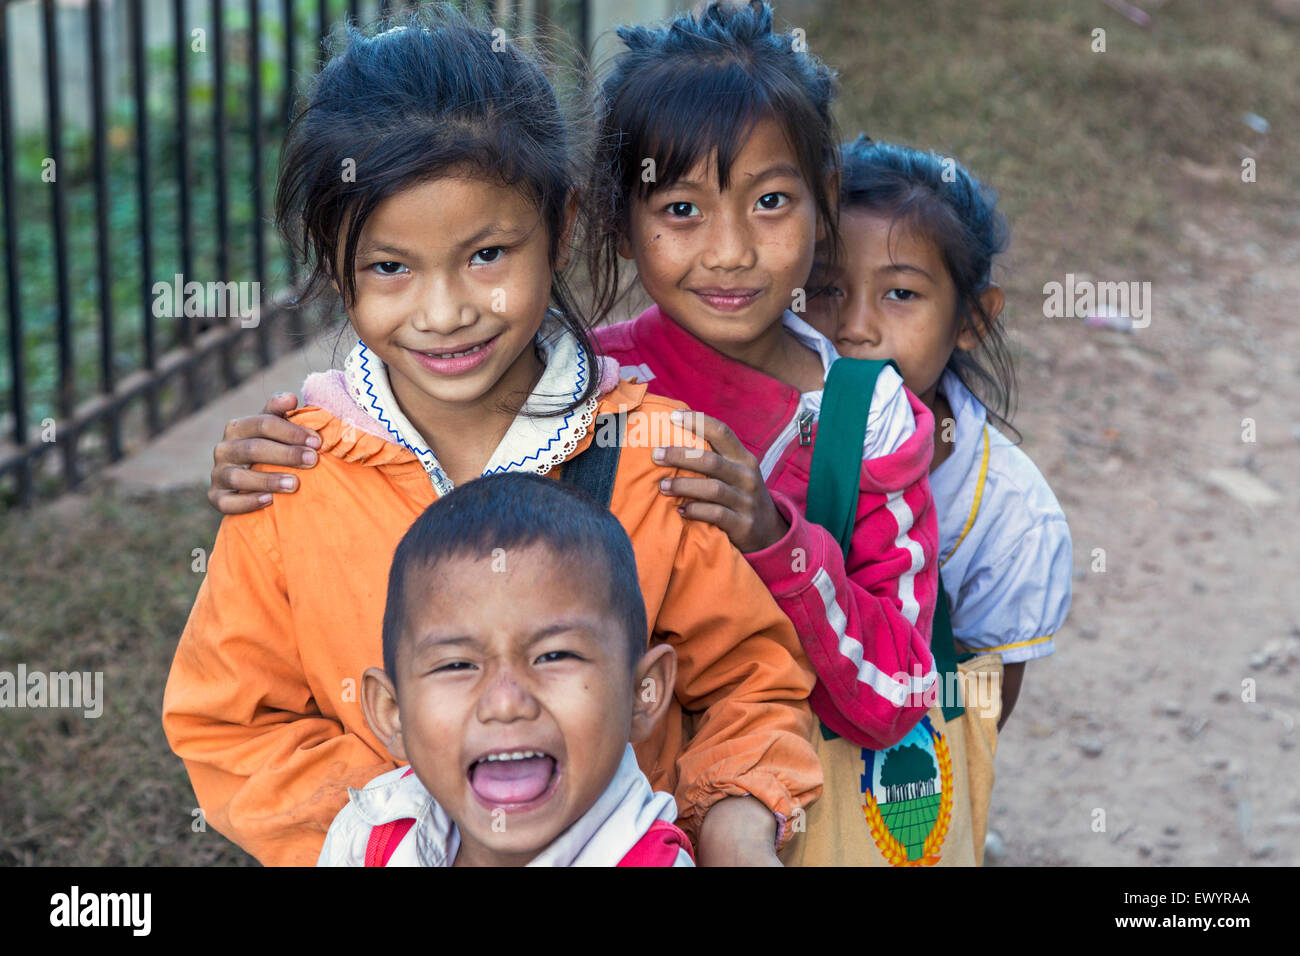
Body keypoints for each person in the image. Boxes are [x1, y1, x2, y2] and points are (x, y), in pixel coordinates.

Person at [163, 6, 821, 868]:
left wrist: (734, 823)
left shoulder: (655, 462)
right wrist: (392, 837)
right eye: (390, 267)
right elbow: (230, 723)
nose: (444, 312)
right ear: (332, 262)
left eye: (486, 255)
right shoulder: (294, 481)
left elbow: (750, 683)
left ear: (562, 226)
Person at [208, 0, 940, 753]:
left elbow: (847, 692)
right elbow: (235, 721)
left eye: (771, 201)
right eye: (681, 208)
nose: (729, 252)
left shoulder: (851, 420)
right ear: (614, 221)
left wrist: (773, 539)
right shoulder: (553, 395)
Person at [800, 135, 1073, 729]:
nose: (855, 328)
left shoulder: (1010, 516)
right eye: (825, 288)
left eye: (900, 293)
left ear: (971, 320)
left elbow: (974, 727)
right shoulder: (741, 432)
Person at [319, 472, 693, 867]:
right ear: (392, 713)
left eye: (554, 656)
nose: (505, 703)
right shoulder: (371, 834)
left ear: (641, 693)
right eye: (457, 664)